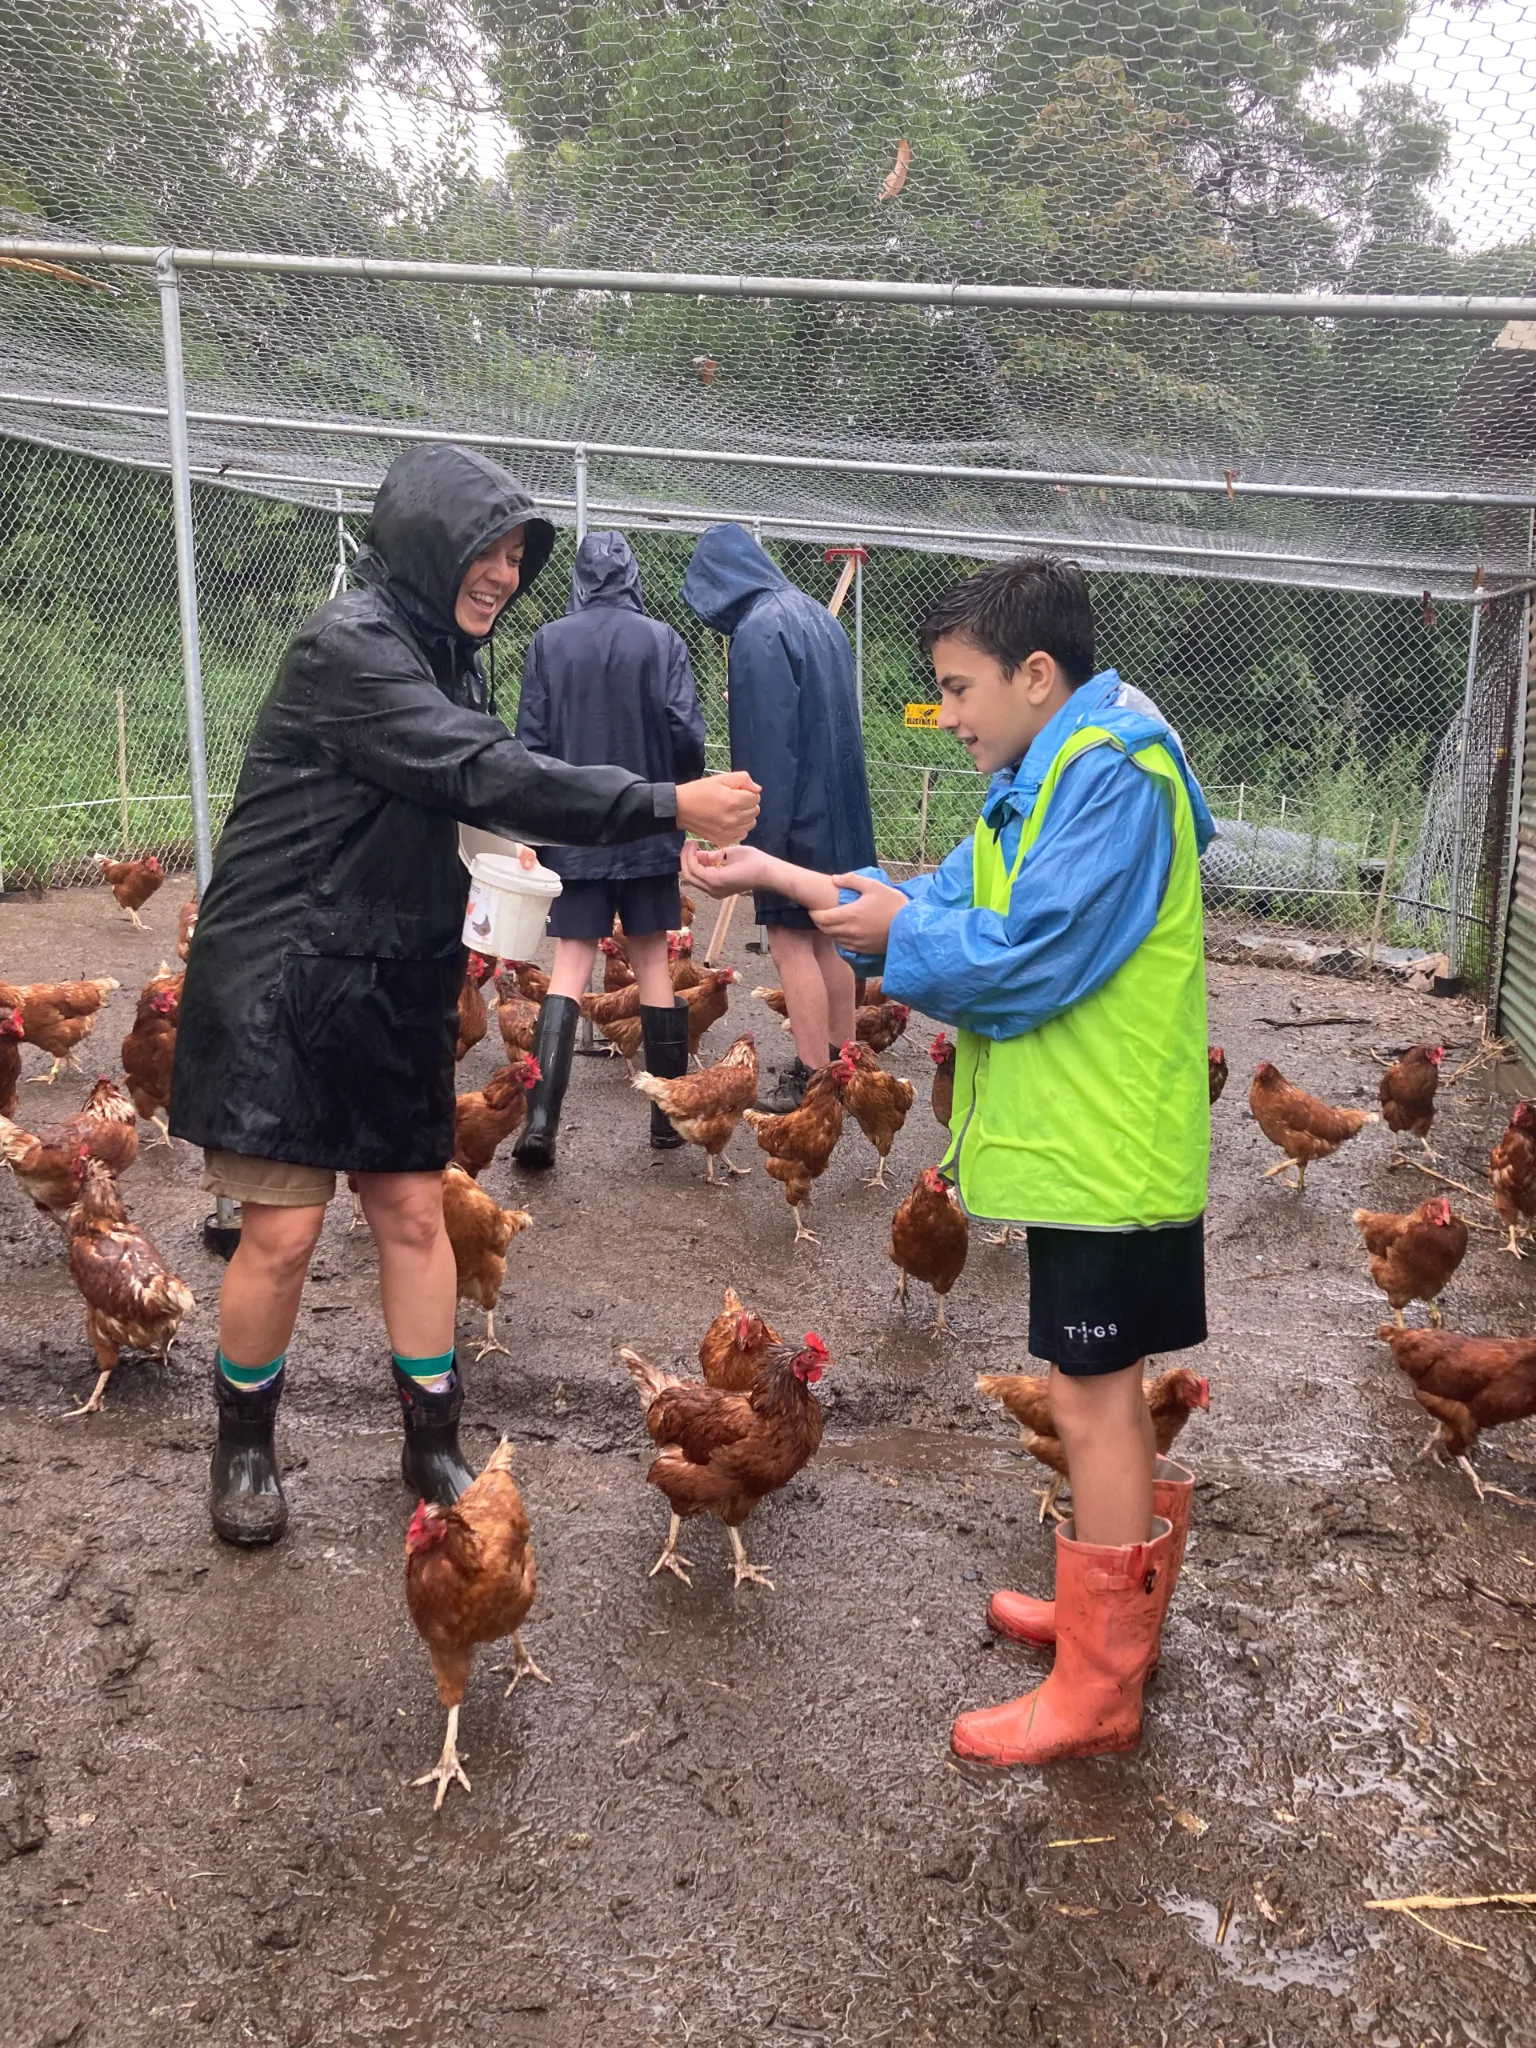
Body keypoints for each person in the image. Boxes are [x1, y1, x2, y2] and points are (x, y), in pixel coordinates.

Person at [170, 444, 759, 1549]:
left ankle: (431, 1435)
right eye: (483, 551)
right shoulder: (350, 646)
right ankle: (243, 1443)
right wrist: (667, 802)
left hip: (393, 972)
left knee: (411, 1209)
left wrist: (506, 871)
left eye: (514, 556)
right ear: (427, 544)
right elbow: (481, 768)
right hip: (288, 976)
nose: (501, 572)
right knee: (286, 1231)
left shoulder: (452, 658)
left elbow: (460, 789)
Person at [683, 555, 1213, 1767]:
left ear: (1038, 675)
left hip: (1110, 1148)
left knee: (1092, 1395)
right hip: (1088, 1145)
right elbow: (930, 895)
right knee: (1101, 1394)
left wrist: (904, 934)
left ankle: (1101, 1682)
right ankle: (1107, 1619)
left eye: (958, 688)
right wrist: (774, 875)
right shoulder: (1051, 775)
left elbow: (1024, 953)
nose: (949, 713)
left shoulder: (1112, 782)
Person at [512, 530, 706, 1167]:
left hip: (576, 826)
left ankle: (540, 1125)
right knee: (653, 963)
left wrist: (536, 831)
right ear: (632, 578)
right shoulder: (663, 641)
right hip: (649, 822)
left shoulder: (548, 642)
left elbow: (532, 743)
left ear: (580, 579)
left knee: (569, 963)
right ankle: (666, 1123)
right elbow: (684, 733)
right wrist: (682, 800)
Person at [681, 525, 876, 1112]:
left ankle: (813, 1078)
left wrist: (755, 842)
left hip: (793, 815)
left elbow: (766, 748)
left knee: (792, 944)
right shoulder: (818, 616)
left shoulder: (758, 632)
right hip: (840, 809)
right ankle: (845, 1065)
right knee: (830, 941)